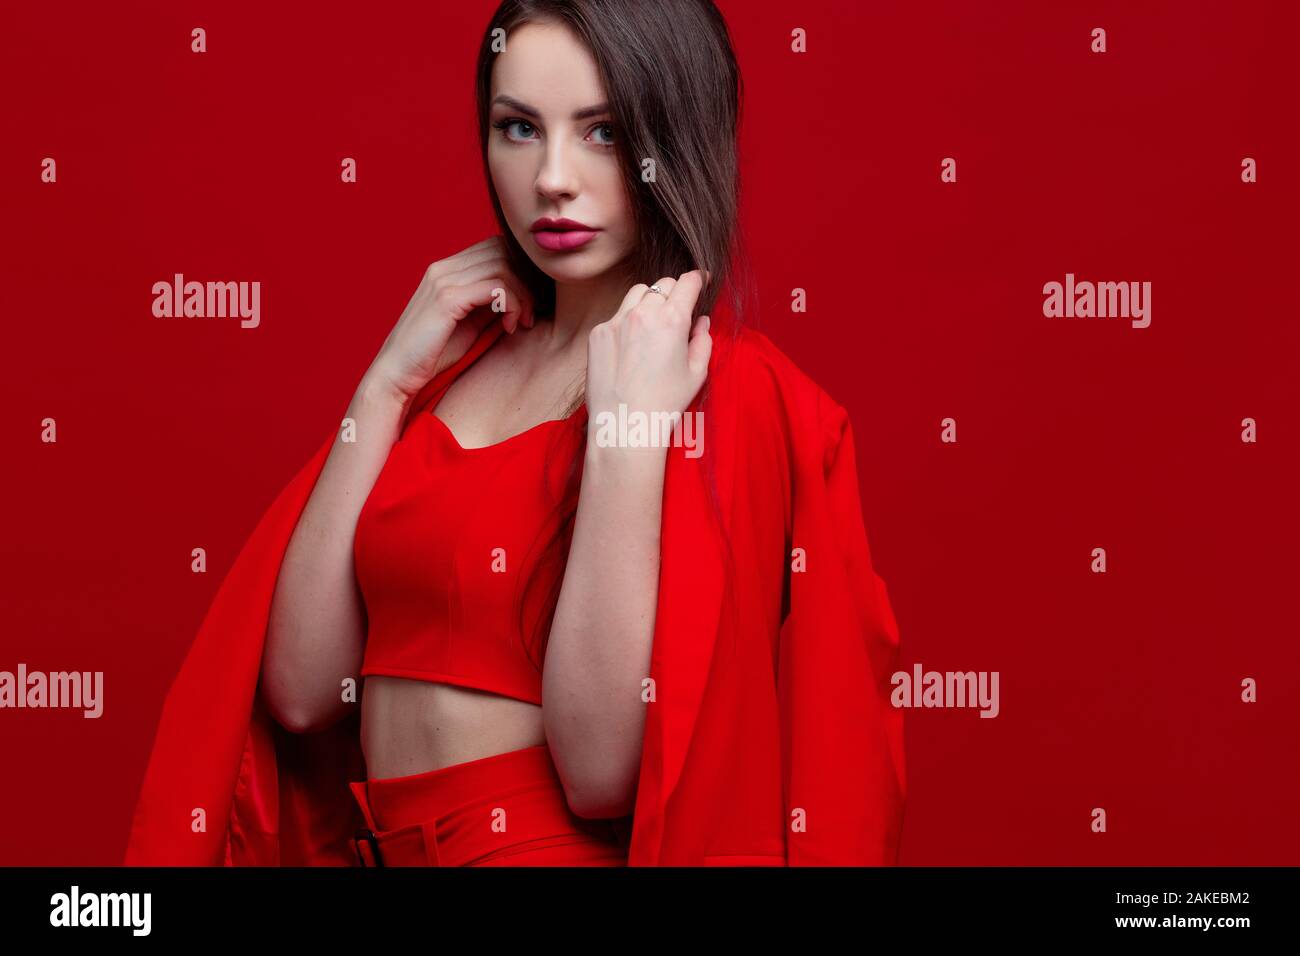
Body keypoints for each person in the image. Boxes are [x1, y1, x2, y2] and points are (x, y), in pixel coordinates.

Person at [124, 0, 906, 867]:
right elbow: (304, 692)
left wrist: (624, 436)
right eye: (519, 128)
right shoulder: (456, 370)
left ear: (675, 137)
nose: (552, 178)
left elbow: (602, 771)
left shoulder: (728, 393)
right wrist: (385, 384)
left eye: (603, 132)